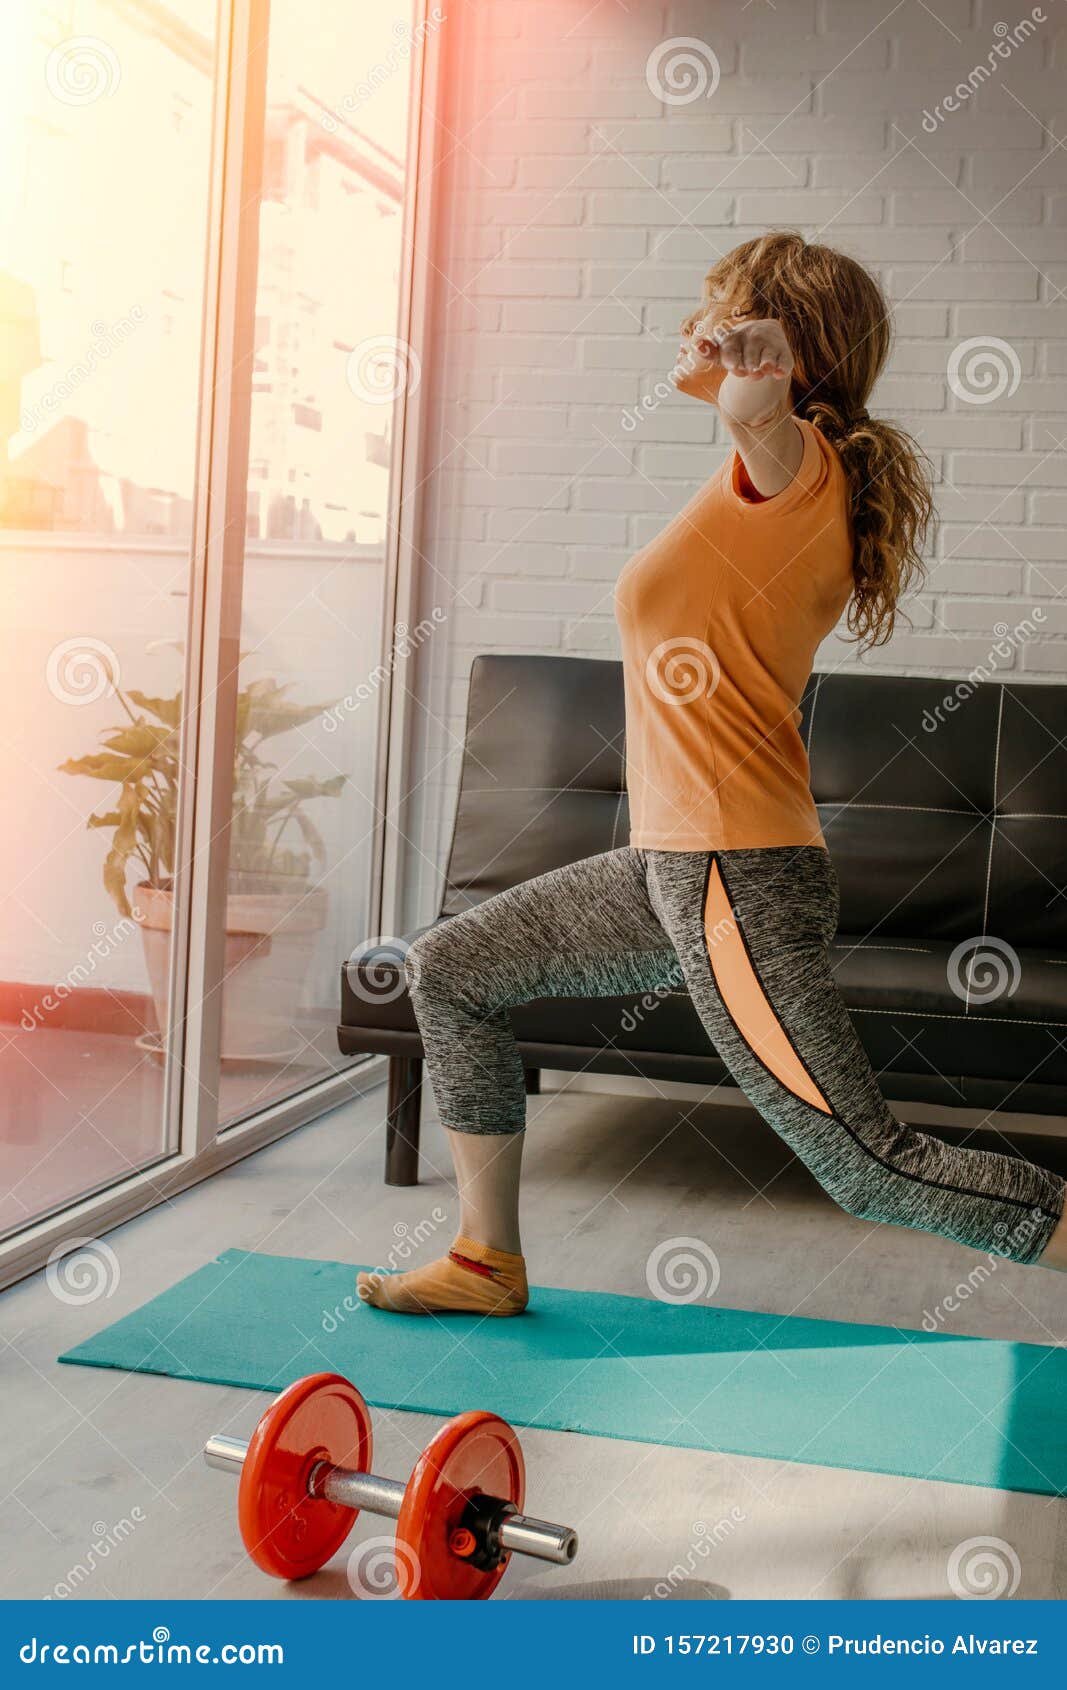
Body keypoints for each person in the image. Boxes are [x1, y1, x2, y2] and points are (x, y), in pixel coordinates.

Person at [358, 229, 1067, 1317]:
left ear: (782, 348)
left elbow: (753, 402)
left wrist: (742, 363)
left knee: (862, 1162)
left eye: (726, 309)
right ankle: (484, 1258)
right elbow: (744, 401)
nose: (705, 325)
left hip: (736, 873)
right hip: (670, 867)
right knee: (450, 969)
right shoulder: (764, 485)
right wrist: (731, 366)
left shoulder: (792, 472)